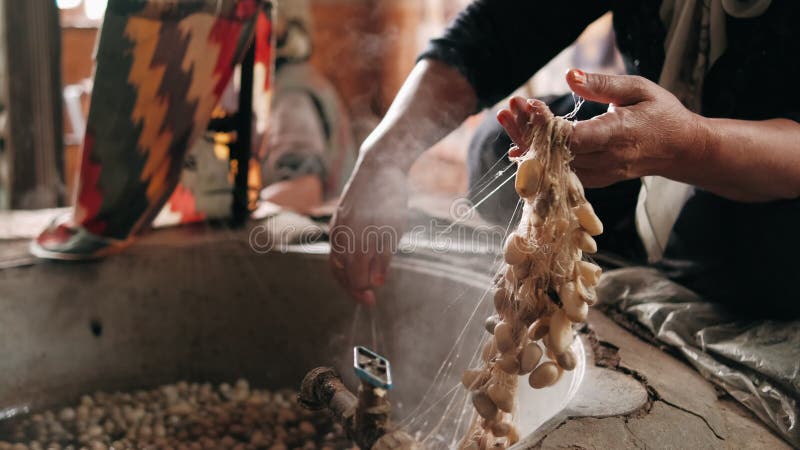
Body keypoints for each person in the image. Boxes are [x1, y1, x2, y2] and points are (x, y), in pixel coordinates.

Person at [330, 0, 800, 318]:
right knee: (500, 154)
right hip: (665, 141)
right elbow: (494, 31)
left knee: (753, 250)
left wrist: (690, 146)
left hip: (771, 170)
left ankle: (673, 256)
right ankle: (645, 253)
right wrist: (384, 157)